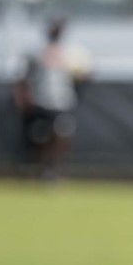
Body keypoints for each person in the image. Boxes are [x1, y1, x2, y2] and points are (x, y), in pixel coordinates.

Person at [12, 18, 92, 178]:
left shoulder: (71, 52)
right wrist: (22, 98)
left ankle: (55, 167)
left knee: (63, 133)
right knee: (39, 135)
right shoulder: (36, 52)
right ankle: (40, 167)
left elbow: (85, 73)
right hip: (41, 102)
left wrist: (82, 75)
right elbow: (23, 77)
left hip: (62, 102)